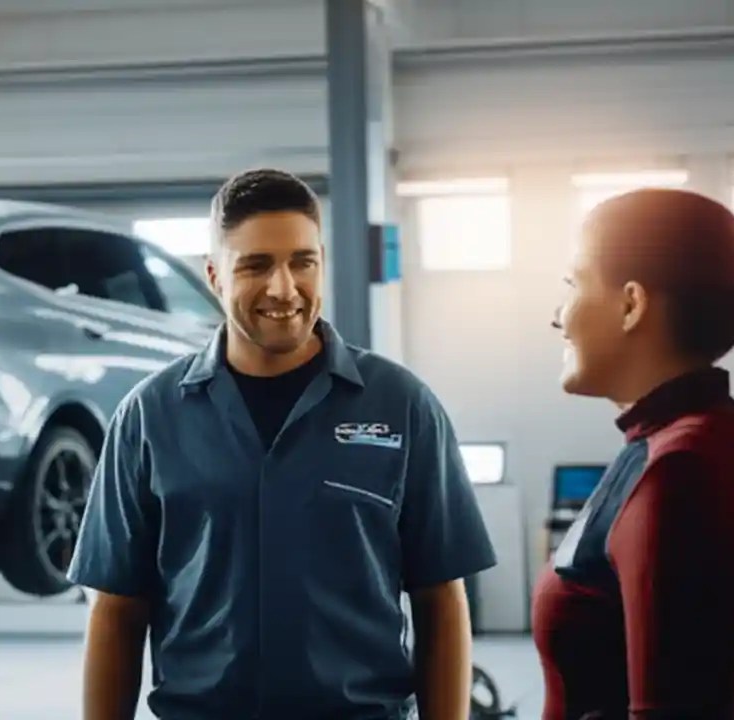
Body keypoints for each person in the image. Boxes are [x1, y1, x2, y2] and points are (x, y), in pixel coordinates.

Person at [69, 168, 497, 720]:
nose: (283, 287)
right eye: (255, 265)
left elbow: (440, 600)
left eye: (302, 261)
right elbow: (117, 611)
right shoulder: (149, 416)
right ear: (214, 277)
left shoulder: (402, 407)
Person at [535, 188, 734, 719]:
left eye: (573, 286)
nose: (559, 316)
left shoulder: (688, 471)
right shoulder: (679, 448)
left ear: (631, 304)